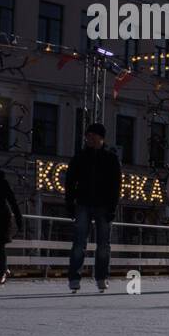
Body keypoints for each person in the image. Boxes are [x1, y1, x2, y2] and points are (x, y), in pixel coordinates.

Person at [64, 122, 122, 292]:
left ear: (101, 138)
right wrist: (69, 202)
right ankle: (74, 278)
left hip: (104, 205)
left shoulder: (111, 159)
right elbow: (70, 182)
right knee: (79, 242)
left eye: (92, 136)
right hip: (83, 203)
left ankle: (102, 277)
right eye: (87, 136)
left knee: (103, 244)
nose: (89, 138)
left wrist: (112, 207)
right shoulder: (79, 157)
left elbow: (116, 184)